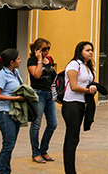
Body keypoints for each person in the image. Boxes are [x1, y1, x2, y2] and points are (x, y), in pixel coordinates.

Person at [62, 41, 98, 174]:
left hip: (83, 103)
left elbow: (94, 82)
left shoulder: (88, 66)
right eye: (87, 50)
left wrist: (94, 86)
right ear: (80, 51)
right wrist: (88, 90)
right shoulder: (74, 64)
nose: (90, 52)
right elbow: (73, 86)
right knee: (71, 138)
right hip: (71, 103)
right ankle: (70, 171)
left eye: (91, 50)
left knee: (75, 138)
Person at [0, 49, 27, 174]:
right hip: (4, 112)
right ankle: (0, 171)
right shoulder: (2, 75)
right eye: (18, 59)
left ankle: (6, 170)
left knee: (10, 145)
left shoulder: (16, 73)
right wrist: (15, 98)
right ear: (11, 62)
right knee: (8, 145)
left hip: (14, 112)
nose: (20, 61)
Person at [27, 38, 59, 163]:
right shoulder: (32, 61)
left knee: (53, 123)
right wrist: (39, 60)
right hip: (38, 94)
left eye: (48, 49)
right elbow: (36, 75)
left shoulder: (49, 60)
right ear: (37, 50)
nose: (46, 51)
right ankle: (35, 152)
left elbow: (54, 77)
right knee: (36, 124)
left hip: (49, 94)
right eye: (44, 49)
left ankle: (43, 150)